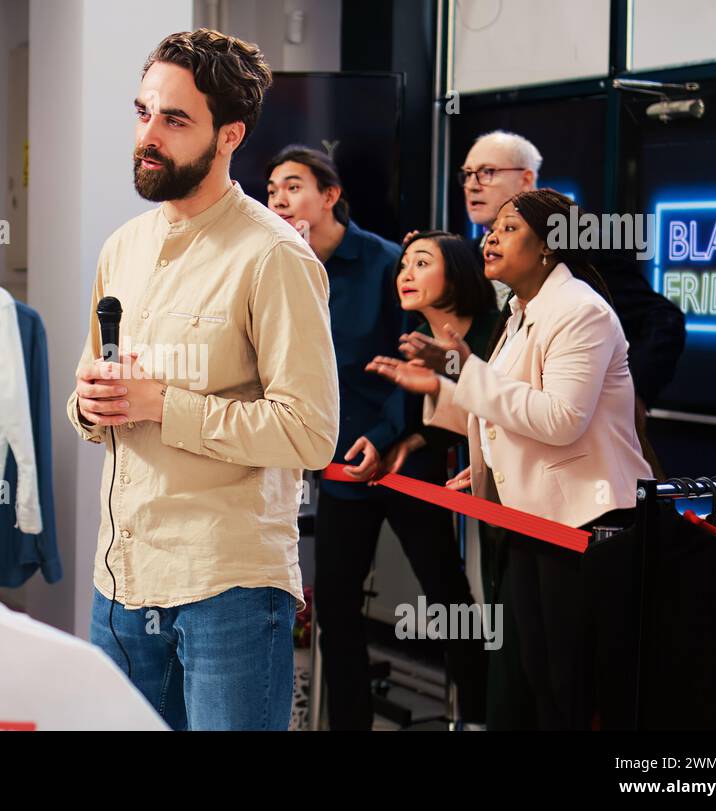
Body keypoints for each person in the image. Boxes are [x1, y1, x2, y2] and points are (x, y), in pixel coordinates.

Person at [66, 30, 339, 731]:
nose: (148, 136)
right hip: (120, 582)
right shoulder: (122, 246)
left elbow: (310, 432)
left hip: (231, 587)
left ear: (229, 135)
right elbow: (87, 394)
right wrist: (90, 405)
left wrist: (163, 404)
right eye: (143, 112)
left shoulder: (274, 255)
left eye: (175, 120)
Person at [369, 189, 653, 730]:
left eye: (508, 228)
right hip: (535, 521)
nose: (490, 238)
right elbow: (506, 412)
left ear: (550, 245)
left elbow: (560, 419)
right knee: (540, 680)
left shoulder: (579, 311)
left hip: (590, 525)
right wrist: (453, 407)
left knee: (572, 689)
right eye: (491, 228)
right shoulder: (522, 312)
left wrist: (463, 370)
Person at [264, 148, 485, 728]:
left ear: (331, 195)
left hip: (405, 456)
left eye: (293, 186)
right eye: (271, 191)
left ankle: (482, 714)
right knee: (334, 605)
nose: (279, 200)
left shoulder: (389, 263)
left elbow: (414, 364)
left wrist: (387, 440)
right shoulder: (283, 267)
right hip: (338, 465)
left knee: (447, 596)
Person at [455, 130, 684, 471]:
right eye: (467, 174)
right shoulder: (471, 257)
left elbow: (662, 320)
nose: (472, 185)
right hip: (501, 452)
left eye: (487, 172)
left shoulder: (583, 247)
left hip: (575, 460)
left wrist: (632, 396)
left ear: (526, 178)